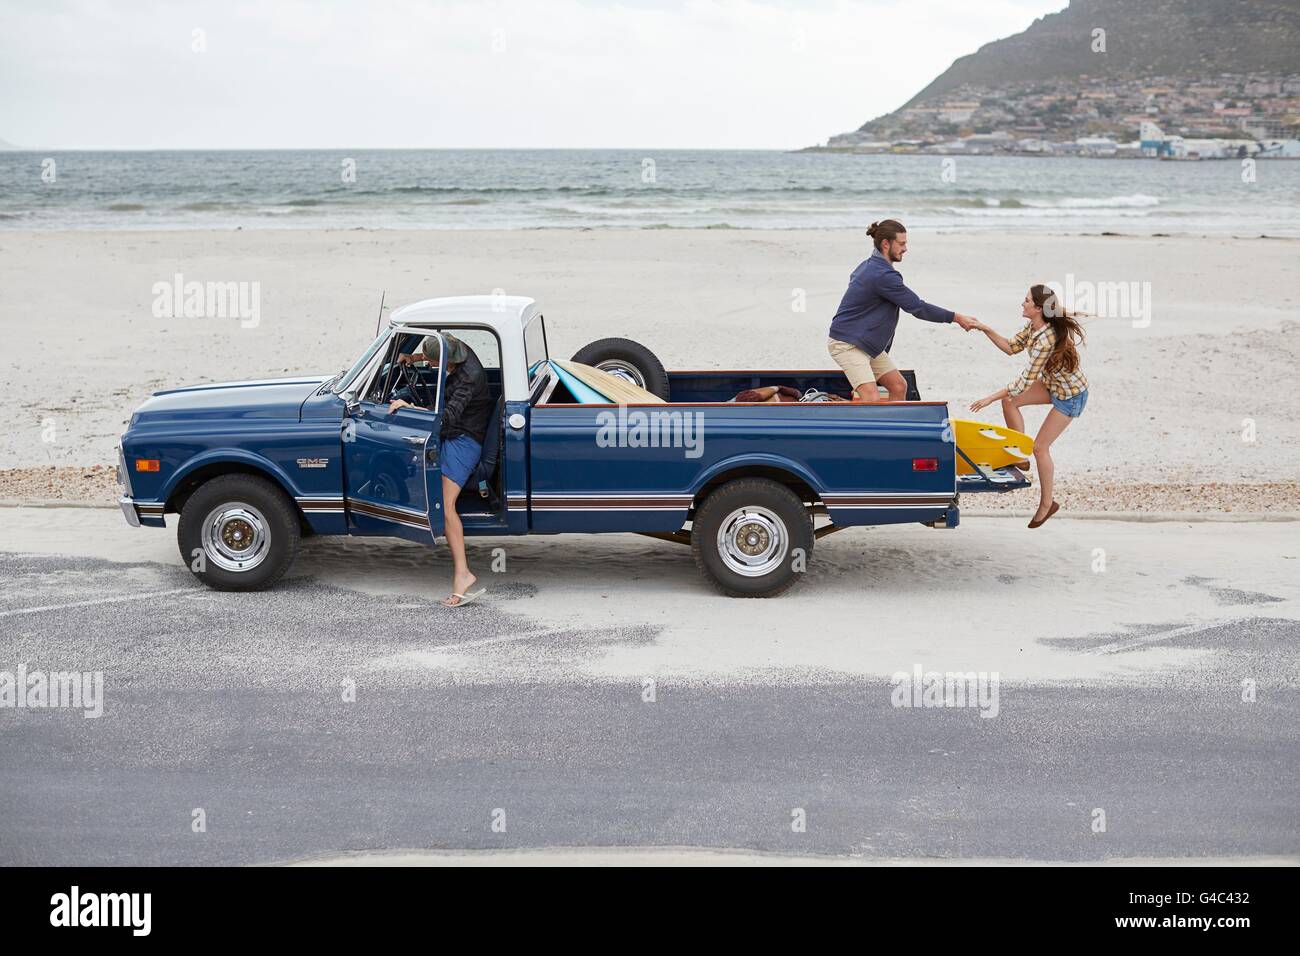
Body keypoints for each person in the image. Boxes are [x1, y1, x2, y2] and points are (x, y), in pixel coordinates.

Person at [969, 285, 1089, 529]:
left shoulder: (1046, 338)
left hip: (1070, 396)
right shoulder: (1034, 327)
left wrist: (989, 397)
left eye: (1026, 301)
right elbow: (1011, 347)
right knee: (1010, 401)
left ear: (1037, 308)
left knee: (1041, 448)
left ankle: (1047, 504)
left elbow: (1024, 381)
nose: (1021, 304)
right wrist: (985, 328)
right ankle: (1019, 456)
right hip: (1053, 385)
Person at [389, 333, 494, 605]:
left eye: (436, 363)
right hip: (457, 432)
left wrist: (410, 407)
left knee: (446, 506)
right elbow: (440, 352)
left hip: (465, 440)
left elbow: (445, 422)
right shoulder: (458, 346)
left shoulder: (468, 380)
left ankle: (464, 573)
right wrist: (413, 358)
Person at [828, 219, 979, 403]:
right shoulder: (881, 274)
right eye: (901, 243)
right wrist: (956, 318)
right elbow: (917, 307)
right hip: (847, 343)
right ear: (886, 244)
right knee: (871, 397)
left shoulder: (871, 265)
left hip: (865, 343)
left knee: (899, 386)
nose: (905, 248)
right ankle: (871, 431)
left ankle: (891, 429)